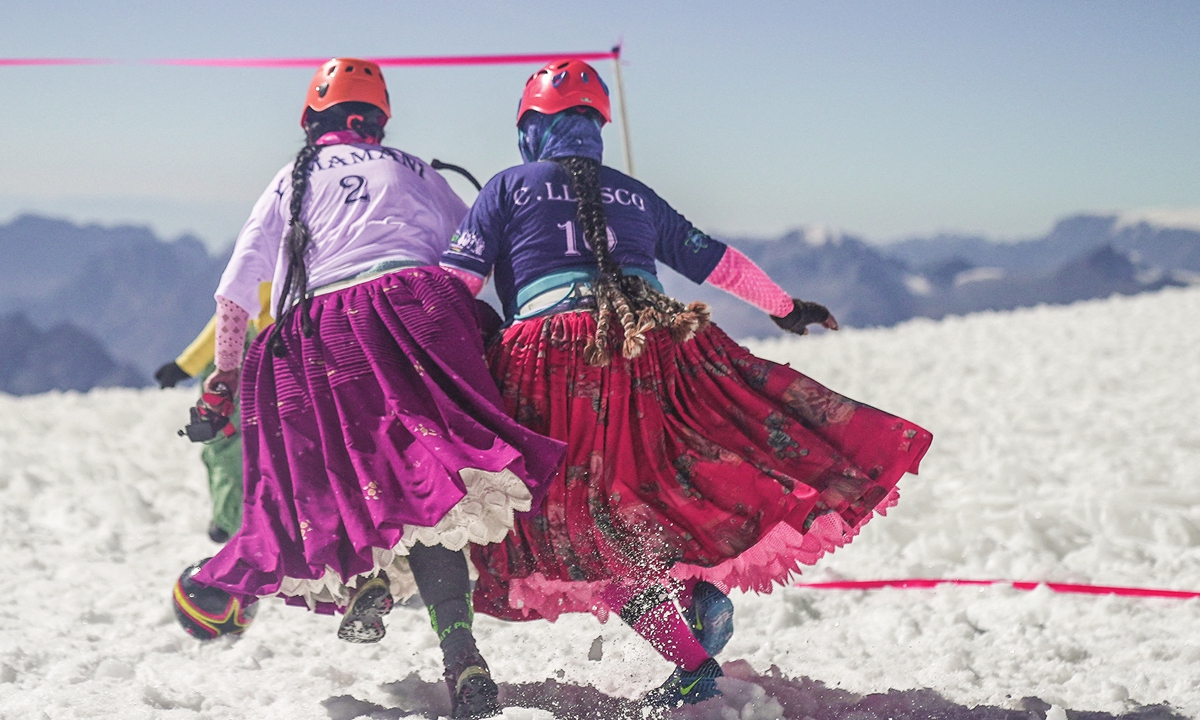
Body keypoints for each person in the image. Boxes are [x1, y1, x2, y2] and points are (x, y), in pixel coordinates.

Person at [439, 59, 933, 708]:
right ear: (597, 129)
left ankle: (691, 657)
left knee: (576, 526)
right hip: (660, 348)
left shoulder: (507, 188)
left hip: (555, 357)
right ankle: (696, 600)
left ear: (532, 130)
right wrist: (787, 308)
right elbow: (717, 259)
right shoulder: (633, 195)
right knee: (663, 487)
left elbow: (453, 287)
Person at [176, 58, 565, 720]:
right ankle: (460, 651)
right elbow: (477, 250)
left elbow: (238, 288)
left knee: (335, 477)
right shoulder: (415, 169)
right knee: (433, 485)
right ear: (378, 121)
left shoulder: (289, 180)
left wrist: (226, 377)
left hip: (318, 332)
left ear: (312, 120)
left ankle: (367, 582)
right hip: (418, 309)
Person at [154, 282, 273, 542]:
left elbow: (233, 311)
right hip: (289, 348)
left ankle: (235, 523)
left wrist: (187, 365)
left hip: (246, 356)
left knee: (228, 444)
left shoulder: (266, 251)